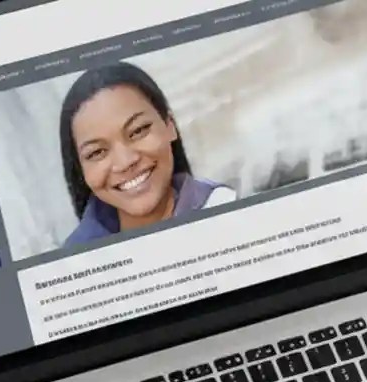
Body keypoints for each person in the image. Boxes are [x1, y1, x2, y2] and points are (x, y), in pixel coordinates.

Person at [59, 62, 236, 246]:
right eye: (97, 152)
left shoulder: (229, 214)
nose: (125, 162)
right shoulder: (75, 257)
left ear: (169, 125)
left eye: (138, 131)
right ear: (81, 170)